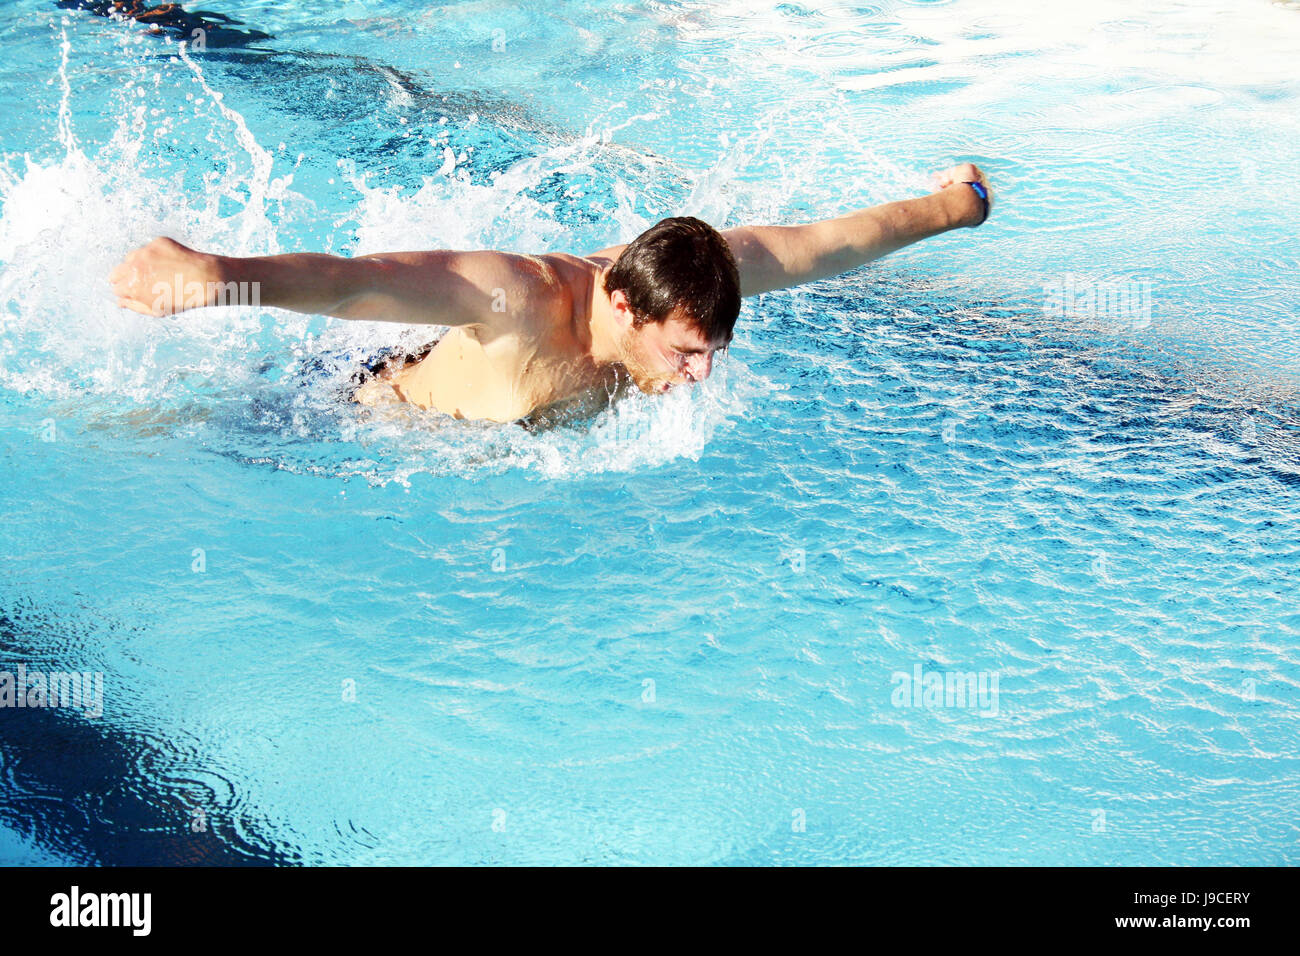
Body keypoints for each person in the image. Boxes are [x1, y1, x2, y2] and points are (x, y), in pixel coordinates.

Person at [110, 163, 993, 423]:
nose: (701, 377)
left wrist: (958, 206)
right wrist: (220, 278)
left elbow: (831, 244)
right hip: (347, 413)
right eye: (687, 354)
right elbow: (359, 283)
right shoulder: (522, 299)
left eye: (713, 353)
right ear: (621, 305)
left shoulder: (698, 277)